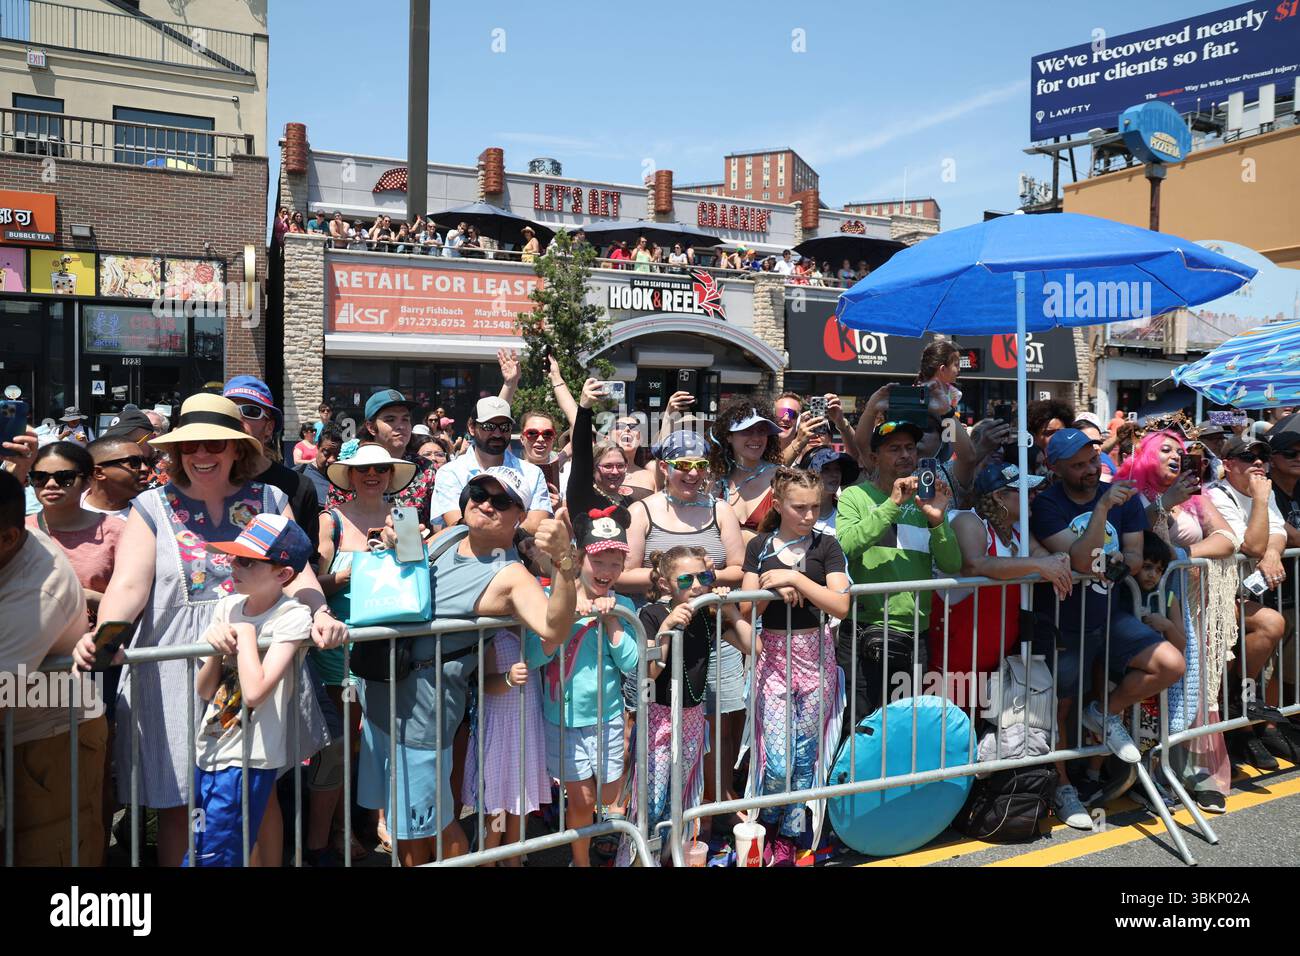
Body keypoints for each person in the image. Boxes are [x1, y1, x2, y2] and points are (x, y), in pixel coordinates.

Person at [70, 394, 347, 867]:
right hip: (176, 665)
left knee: (258, 796)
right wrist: (108, 637)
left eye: (216, 444)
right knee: (180, 796)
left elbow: (296, 572)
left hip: (253, 661)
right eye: (191, 445)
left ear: (238, 449)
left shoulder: (269, 498)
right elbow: (130, 585)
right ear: (176, 452)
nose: (203, 455)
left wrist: (318, 612)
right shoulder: (151, 507)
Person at [358, 468, 577, 865]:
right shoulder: (452, 535)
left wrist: (564, 563)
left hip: (423, 713)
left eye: (501, 501)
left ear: (521, 515)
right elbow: (409, 581)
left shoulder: (511, 574)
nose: (485, 503)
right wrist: (394, 540)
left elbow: (553, 627)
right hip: (381, 693)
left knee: (431, 824)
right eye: (478, 492)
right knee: (402, 819)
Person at [1029, 428, 1185, 828]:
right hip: (1065, 619)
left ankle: (1104, 711)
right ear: (1057, 467)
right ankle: (1062, 785)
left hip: (1111, 613)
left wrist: (1126, 562)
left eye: (1091, 461)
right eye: (1077, 465)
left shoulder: (1124, 496)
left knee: (1169, 664)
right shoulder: (1046, 505)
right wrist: (1100, 512)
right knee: (1060, 706)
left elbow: (1134, 553)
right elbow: (1081, 561)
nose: (1088, 470)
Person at [622, 430, 747, 821]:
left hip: (710, 627)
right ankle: (642, 825)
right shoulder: (642, 510)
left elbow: (739, 569)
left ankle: (709, 813)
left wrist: (704, 581)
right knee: (650, 738)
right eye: (682, 466)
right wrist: (670, 581)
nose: (692, 473)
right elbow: (624, 574)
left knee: (717, 726)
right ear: (665, 467)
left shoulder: (720, 509)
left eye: (700, 466)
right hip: (660, 632)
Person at [311, 442, 417, 864]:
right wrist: (354, 569)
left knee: (380, 740)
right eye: (363, 470)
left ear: (391, 474)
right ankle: (339, 832)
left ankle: (376, 820)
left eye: (380, 469)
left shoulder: (406, 516)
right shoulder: (330, 519)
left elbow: (415, 572)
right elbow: (316, 581)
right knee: (341, 745)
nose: (372, 475)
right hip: (341, 647)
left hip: (390, 643)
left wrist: (401, 546)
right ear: (349, 477)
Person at [187, 515, 314, 867]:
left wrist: (242, 635)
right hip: (211, 746)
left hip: (250, 755)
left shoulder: (292, 615)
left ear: (283, 573)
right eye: (233, 556)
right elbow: (205, 689)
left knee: (216, 853)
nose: (233, 565)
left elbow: (256, 691)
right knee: (208, 844)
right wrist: (214, 651)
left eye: (246, 560)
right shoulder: (227, 605)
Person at [618, 545, 753, 866]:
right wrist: (667, 630)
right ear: (665, 584)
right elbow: (650, 670)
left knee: (679, 796)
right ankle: (637, 859)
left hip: (692, 716)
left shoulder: (708, 613)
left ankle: (668, 855)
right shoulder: (651, 614)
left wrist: (730, 609)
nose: (696, 585)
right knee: (651, 798)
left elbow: (753, 645)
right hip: (657, 717)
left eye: (703, 576)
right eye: (686, 579)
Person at [741, 467, 850, 865]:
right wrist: (773, 588)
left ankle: (787, 836)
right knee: (778, 758)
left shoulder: (827, 545)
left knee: (805, 758)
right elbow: (745, 606)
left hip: (818, 657)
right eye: (799, 507)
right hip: (772, 658)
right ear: (779, 503)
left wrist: (795, 579)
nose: (808, 516)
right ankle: (767, 820)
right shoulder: (760, 545)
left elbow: (840, 604)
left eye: (815, 508)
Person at [0, 470, 107, 866]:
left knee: (49, 855)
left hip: (50, 739)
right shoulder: (11, 546)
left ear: (9, 538)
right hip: (20, 726)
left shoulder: (35, 590)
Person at [525, 504, 638, 866]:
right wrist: (567, 619)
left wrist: (612, 622)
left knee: (608, 793)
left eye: (614, 563)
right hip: (564, 719)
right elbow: (537, 655)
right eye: (598, 561)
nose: (606, 571)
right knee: (584, 801)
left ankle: (593, 831)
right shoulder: (552, 601)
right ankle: (581, 861)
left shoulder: (622, 604)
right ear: (578, 558)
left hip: (609, 716)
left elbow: (632, 662)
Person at [836, 420, 962, 719]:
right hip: (862, 629)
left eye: (910, 448)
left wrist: (936, 520)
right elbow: (846, 546)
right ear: (874, 458)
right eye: (894, 449)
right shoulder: (854, 496)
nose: (905, 455)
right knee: (859, 724)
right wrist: (892, 503)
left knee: (904, 725)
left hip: (914, 633)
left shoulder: (927, 502)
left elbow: (952, 564)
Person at [934, 461, 1072, 695]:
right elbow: (975, 565)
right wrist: (1041, 564)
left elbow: (1043, 556)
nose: (1033, 496)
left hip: (994, 659)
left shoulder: (1018, 530)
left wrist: (1058, 558)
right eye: (1025, 491)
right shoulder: (968, 521)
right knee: (948, 726)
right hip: (953, 657)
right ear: (999, 496)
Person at [1204, 434, 1291, 769]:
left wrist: (1272, 553)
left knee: (1270, 625)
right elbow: (1251, 545)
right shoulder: (1218, 495)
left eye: (1263, 455)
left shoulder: (1261, 492)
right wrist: (1258, 501)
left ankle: (1242, 705)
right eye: (1247, 456)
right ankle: (1235, 709)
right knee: (1269, 623)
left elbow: (1278, 532)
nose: (1258, 462)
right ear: (1227, 464)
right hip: (1212, 597)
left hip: (1241, 595)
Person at [26, 442, 123, 624]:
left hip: (92, 645)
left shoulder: (117, 531)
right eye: (40, 477)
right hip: (32, 644)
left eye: (65, 478)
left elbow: (134, 602)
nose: (51, 484)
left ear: (87, 481)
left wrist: (84, 596)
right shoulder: (19, 531)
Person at [224, 376, 321, 554]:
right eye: (229, 411)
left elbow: (309, 559)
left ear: (269, 427)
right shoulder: (208, 479)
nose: (237, 419)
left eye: (250, 411)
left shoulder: (299, 487)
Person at [430, 396, 552, 533]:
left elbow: (536, 525)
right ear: (471, 427)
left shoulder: (532, 473)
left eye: (505, 427)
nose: (498, 434)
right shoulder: (450, 472)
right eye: (489, 426)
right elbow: (457, 525)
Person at [330, 389, 438, 527]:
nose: (401, 426)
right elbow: (334, 525)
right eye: (390, 419)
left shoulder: (426, 469)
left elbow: (437, 526)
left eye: (405, 419)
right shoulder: (349, 467)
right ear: (371, 427)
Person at [711, 399, 783, 540]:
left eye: (761, 431)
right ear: (729, 436)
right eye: (747, 431)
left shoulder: (782, 478)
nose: (756, 438)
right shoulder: (714, 480)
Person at [84, 434, 155, 520]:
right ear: (98, 473)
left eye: (144, 461)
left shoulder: (155, 511)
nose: (145, 468)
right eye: (134, 462)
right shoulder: (68, 511)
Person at [804, 448, 858, 535]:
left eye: (837, 469)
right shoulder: (798, 515)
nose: (834, 474)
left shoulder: (847, 514)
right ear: (811, 474)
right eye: (826, 469)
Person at [296, 423, 343, 506]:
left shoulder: (344, 480)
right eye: (326, 453)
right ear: (317, 447)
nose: (332, 459)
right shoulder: (298, 476)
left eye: (337, 454)